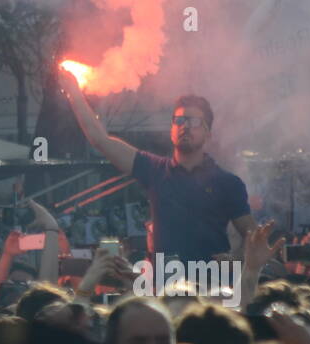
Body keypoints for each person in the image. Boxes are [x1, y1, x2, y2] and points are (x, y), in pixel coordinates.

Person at [61, 70, 255, 261]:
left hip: (211, 288)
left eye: (195, 121)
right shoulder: (154, 170)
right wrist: (74, 93)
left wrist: (235, 259)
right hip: (166, 290)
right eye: (179, 120)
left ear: (208, 133)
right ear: (171, 130)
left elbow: (253, 238)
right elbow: (100, 140)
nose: (185, 126)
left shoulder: (228, 183)